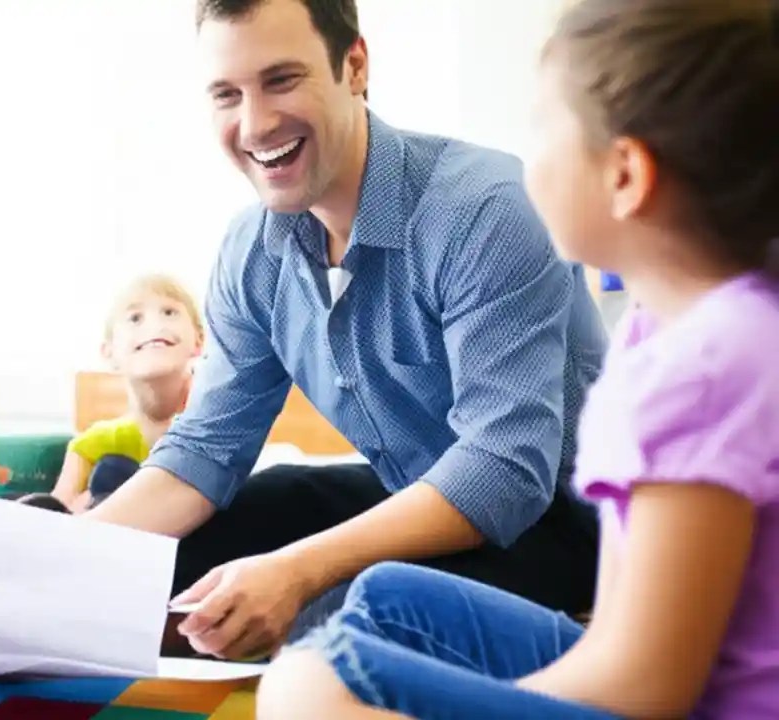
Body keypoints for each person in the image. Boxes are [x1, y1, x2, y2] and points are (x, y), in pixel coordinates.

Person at [258, 1, 779, 717]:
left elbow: (648, 688)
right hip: (646, 671)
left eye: (545, 131)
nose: (525, 162)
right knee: (385, 598)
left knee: (309, 688)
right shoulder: (660, 331)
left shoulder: (704, 370)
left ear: (625, 175)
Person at [87, 0, 609, 660]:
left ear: (354, 66)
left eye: (282, 80)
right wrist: (73, 554)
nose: (255, 124)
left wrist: (299, 572)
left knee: (335, 616)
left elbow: (502, 472)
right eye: (227, 94)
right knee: (202, 537)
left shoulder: (485, 210)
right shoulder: (253, 249)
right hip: (415, 492)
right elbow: (207, 448)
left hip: (554, 524)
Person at [49, 274, 203, 513]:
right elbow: (52, 514)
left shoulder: (215, 437)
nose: (155, 325)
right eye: (135, 318)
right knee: (111, 471)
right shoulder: (92, 445)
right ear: (108, 352)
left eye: (170, 313)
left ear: (199, 341)